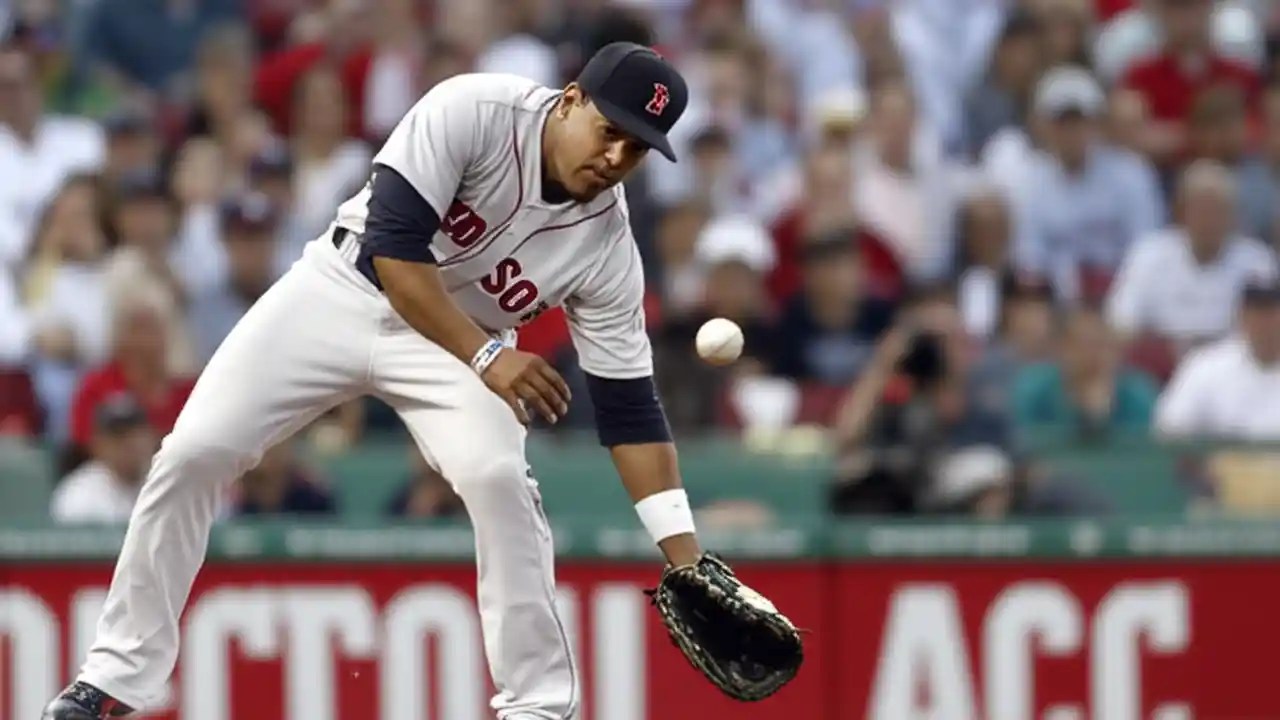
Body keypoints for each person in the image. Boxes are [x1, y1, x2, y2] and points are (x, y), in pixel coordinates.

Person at [45, 44, 733, 720]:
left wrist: (685, 558)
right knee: (193, 452)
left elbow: (629, 411)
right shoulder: (475, 109)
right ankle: (114, 678)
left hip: (457, 347)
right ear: (571, 100)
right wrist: (487, 357)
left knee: (497, 478)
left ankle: (537, 706)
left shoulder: (608, 246)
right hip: (345, 290)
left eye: (637, 149)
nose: (616, 157)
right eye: (610, 131)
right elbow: (395, 249)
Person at [50, 393, 156, 524]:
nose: (128, 444)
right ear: (97, 445)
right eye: (117, 437)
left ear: (151, 439)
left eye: (134, 435)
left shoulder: (165, 483)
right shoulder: (78, 494)